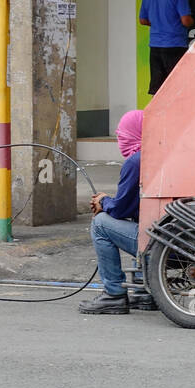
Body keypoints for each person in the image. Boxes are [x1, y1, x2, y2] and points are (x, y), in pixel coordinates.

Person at [79, 110, 150, 315]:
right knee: (141, 220)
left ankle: (114, 294)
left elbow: (120, 209)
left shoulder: (136, 162)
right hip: (169, 234)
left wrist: (103, 202)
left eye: (122, 135)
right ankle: (144, 292)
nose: (120, 140)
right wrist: (108, 200)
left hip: (156, 241)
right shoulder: (161, 155)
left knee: (100, 223)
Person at [139, 0, 195, 95]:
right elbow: (186, 21)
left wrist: (159, 23)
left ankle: (158, 116)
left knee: (158, 89)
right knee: (177, 87)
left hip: (156, 47)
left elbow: (143, 20)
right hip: (175, 46)